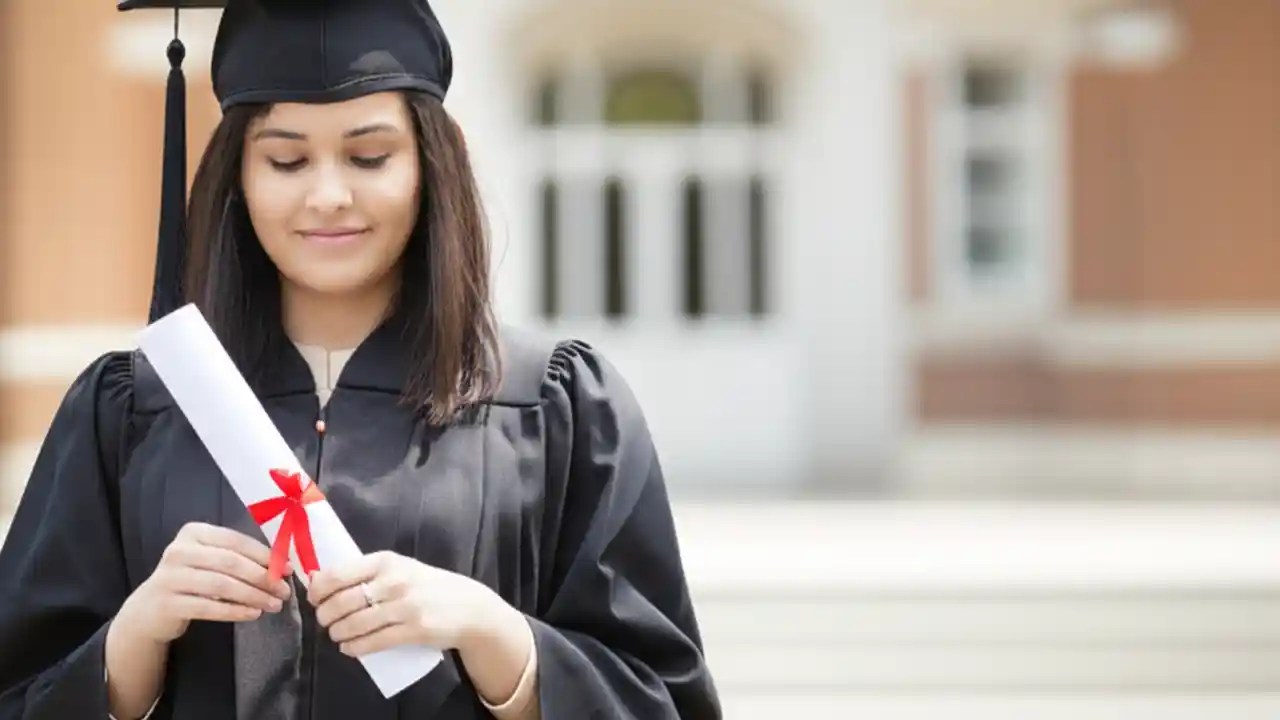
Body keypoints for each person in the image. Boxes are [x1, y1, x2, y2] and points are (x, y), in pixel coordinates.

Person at [0, 1, 721, 718]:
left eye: (369, 156)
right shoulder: (134, 411)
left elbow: (663, 700)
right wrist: (136, 637)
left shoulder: (553, 406)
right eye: (286, 159)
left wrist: (495, 634)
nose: (328, 195)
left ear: (429, 165)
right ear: (239, 178)